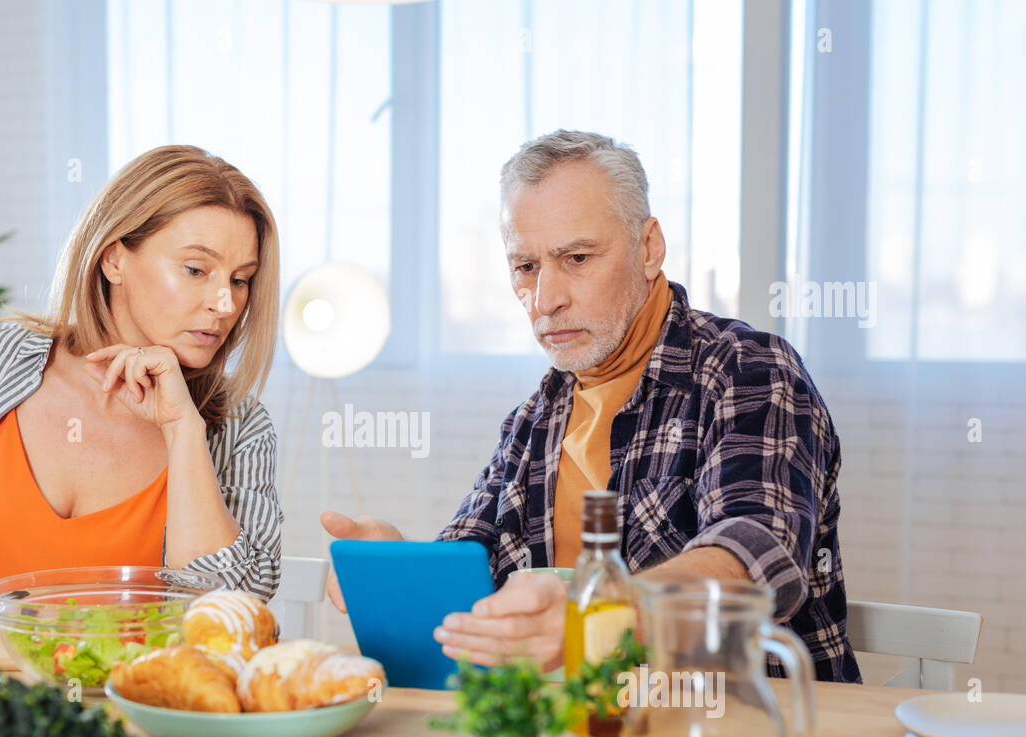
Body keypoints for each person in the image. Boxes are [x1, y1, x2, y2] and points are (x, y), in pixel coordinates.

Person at [323, 129, 860, 683]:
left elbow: (754, 558)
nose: (545, 300)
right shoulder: (537, 417)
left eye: (576, 257)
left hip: (748, 736)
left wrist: (596, 618)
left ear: (649, 248)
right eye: (526, 267)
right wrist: (400, 571)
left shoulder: (750, 369)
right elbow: (473, 568)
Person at [0, 145, 284, 620]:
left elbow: (230, 611)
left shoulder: (239, 427)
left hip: (125, 695)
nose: (226, 304)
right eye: (195, 270)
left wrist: (183, 428)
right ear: (113, 260)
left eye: (241, 279)